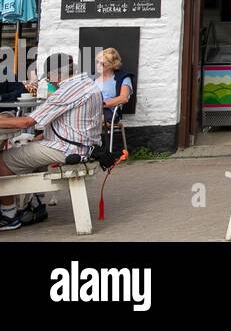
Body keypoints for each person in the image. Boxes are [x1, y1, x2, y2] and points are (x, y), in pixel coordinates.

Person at [0, 53, 104, 230]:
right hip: (84, 146)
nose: (50, 81)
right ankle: (35, 205)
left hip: (69, 149)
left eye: (49, 77)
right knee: (30, 146)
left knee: (2, 161)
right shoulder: (87, 83)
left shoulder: (65, 91)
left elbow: (26, 122)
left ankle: (8, 215)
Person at [95, 47, 134, 125]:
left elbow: (124, 98)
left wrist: (101, 104)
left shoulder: (123, 78)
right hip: (92, 110)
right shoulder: (94, 78)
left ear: (112, 65)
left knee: (84, 119)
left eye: (102, 64)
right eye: (97, 62)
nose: (98, 65)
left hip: (110, 113)